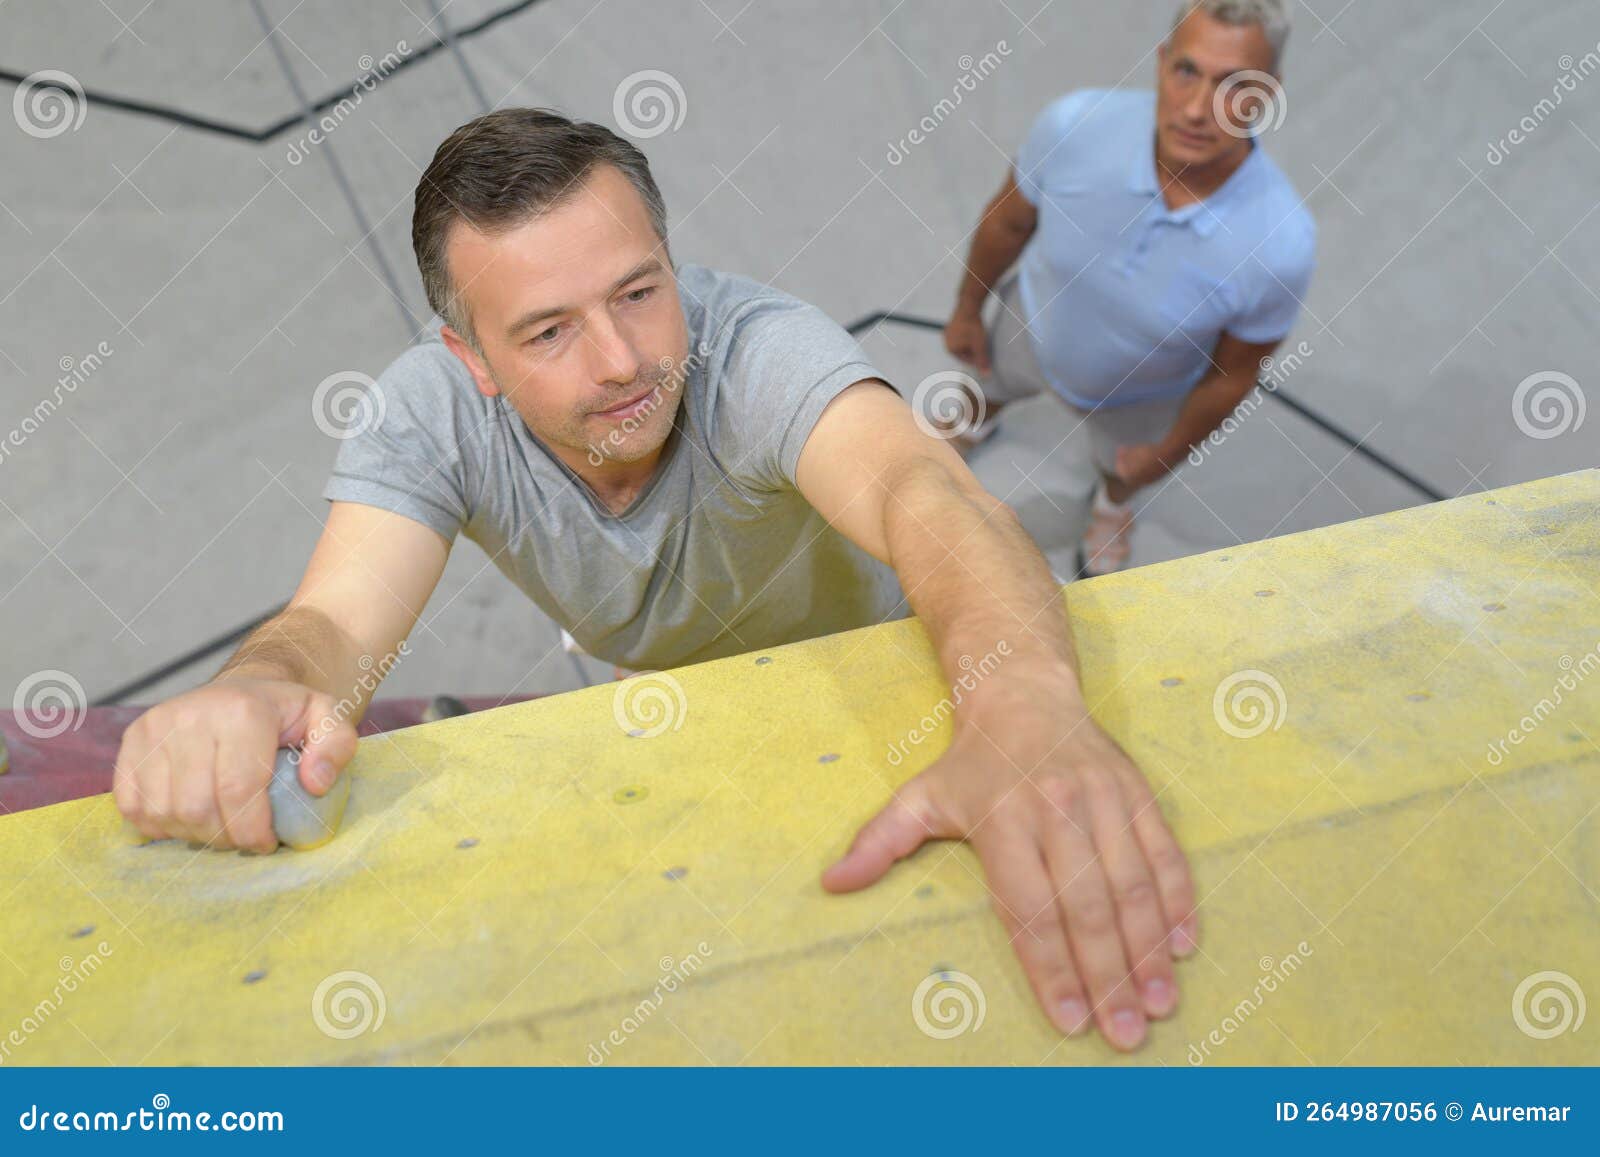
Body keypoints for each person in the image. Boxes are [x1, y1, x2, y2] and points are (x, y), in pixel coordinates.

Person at [114, 108, 1196, 1052]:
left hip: (905, 681)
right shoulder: (427, 413)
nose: (623, 358)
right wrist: (261, 685)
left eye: (639, 291)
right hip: (688, 717)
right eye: (549, 331)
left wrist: (1022, 703)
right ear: (473, 361)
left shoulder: (758, 349)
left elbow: (931, 493)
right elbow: (333, 622)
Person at [944, 0, 1316, 573]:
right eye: (1187, 71)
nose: (1197, 110)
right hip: (1029, 325)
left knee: (1122, 470)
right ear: (1162, 62)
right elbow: (1008, 222)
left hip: (1142, 399)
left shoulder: (1281, 243)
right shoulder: (1075, 126)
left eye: (1233, 85)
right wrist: (969, 310)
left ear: (1269, 93)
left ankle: (1113, 507)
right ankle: (980, 412)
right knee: (990, 378)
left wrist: (1165, 453)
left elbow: (1233, 373)